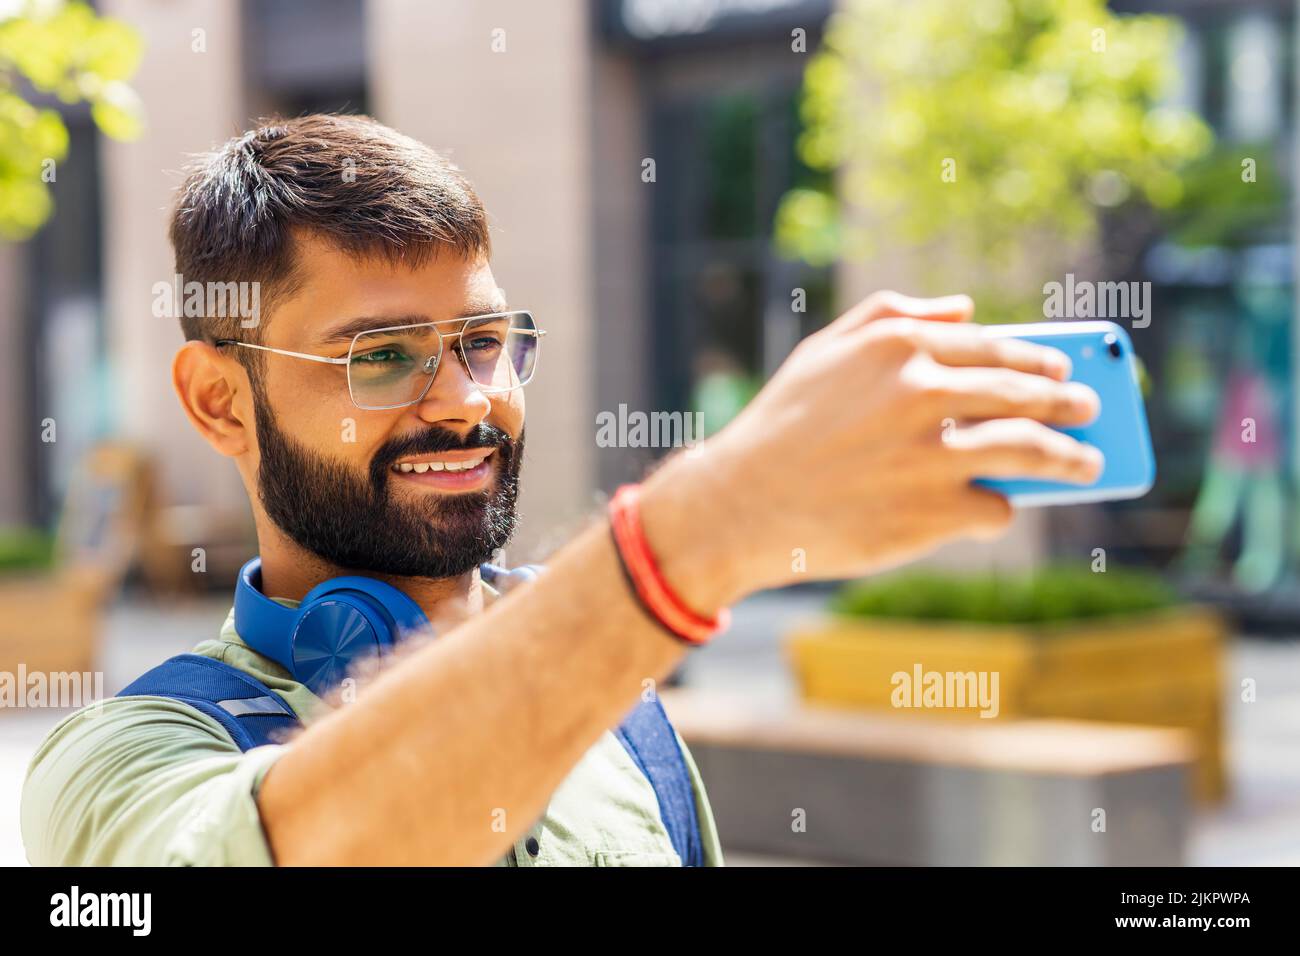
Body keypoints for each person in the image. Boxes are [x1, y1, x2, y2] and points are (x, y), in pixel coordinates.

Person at [21, 114, 1101, 866]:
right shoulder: (124, 758)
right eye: (381, 356)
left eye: (484, 341)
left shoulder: (624, 703)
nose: (463, 400)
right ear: (219, 402)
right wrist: (699, 531)